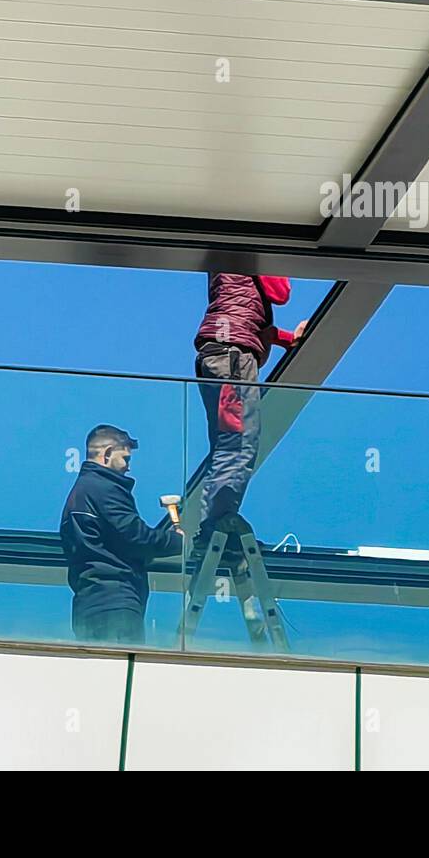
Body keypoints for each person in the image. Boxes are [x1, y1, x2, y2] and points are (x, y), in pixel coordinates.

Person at [192, 274, 307, 550]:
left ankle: (215, 526)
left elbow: (239, 310)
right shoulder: (253, 248)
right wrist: (275, 258)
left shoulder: (229, 259)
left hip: (219, 353)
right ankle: (218, 528)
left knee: (228, 443)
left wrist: (287, 338)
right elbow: (280, 291)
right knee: (238, 444)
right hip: (233, 358)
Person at [59, 423, 182, 645]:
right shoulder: (104, 488)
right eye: (125, 458)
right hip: (115, 602)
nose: (128, 467)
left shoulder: (79, 493)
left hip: (88, 603)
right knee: (119, 670)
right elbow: (134, 536)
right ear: (107, 454)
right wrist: (176, 542)